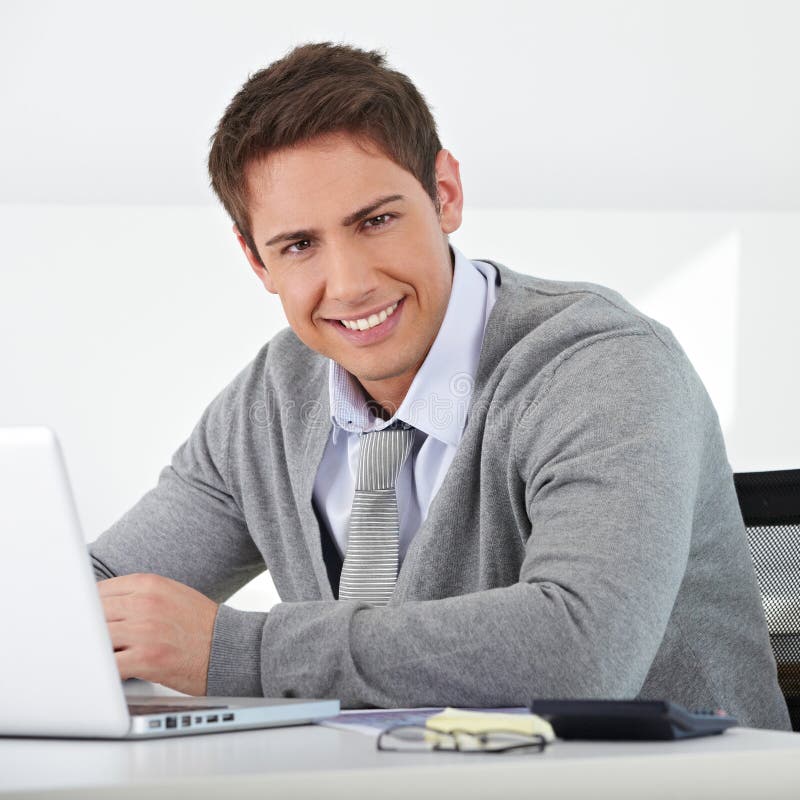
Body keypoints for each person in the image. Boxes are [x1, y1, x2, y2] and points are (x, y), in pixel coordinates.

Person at [90, 42, 790, 729]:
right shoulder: (272, 399)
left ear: (445, 193)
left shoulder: (605, 366)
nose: (351, 282)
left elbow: (579, 648)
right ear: (256, 260)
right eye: (300, 245)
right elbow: (92, 592)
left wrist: (242, 653)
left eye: (377, 220)